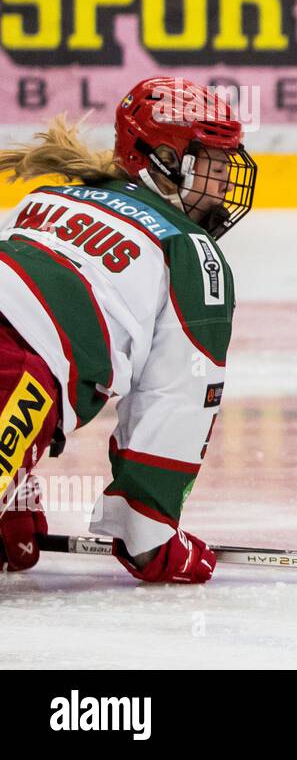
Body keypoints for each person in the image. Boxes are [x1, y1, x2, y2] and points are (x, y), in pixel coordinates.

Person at [0, 77, 256, 583]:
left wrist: (15, 492)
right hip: (18, 370)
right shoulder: (189, 250)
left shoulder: (46, 200)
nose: (225, 182)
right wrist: (151, 536)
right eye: (215, 163)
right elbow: (175, 401)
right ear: (164, 159)